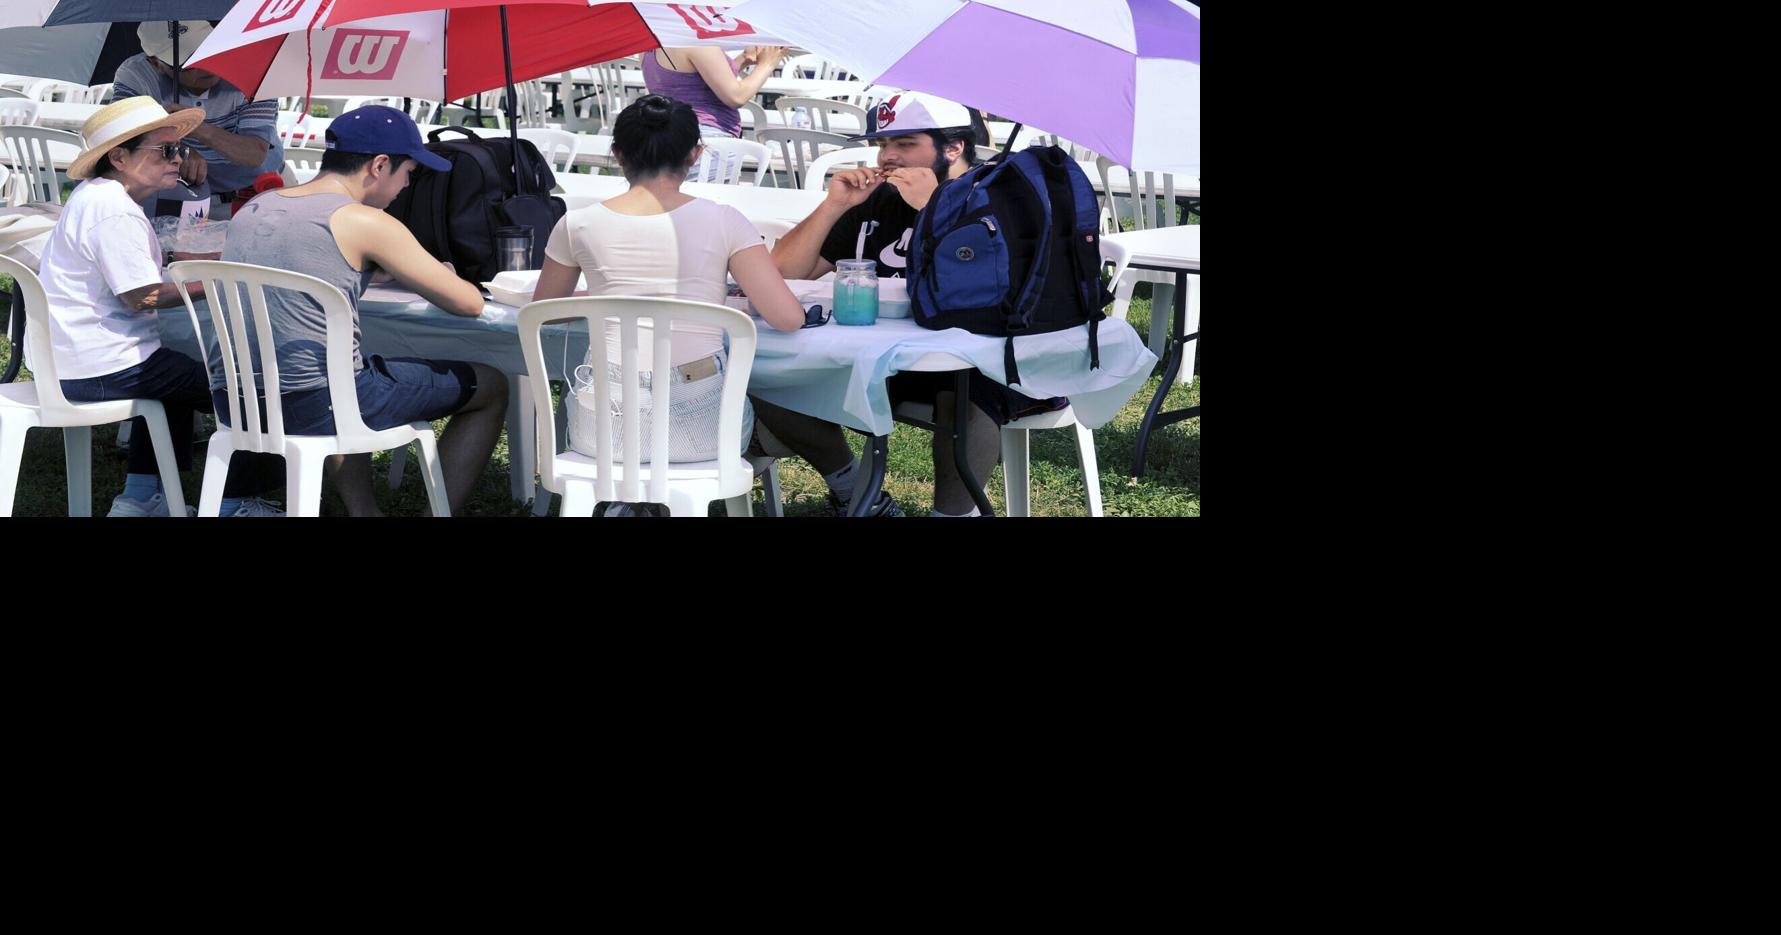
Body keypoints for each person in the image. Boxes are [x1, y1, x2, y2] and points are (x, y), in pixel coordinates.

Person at [769, 92, 1065, 517]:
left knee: (965, 394)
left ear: (953, 147)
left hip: (987, 357)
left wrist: (935, 207)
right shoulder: (878, 198)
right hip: (884, 351)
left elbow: (1002, 292)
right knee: (769, 373)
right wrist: (833, 206)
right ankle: (855, 492)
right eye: (883, 144)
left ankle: (951, 514)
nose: (888, 156)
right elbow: (781, 274)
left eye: (905, 144)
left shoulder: (999, 197)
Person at [220, 105, 507, 516]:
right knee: (492, 386)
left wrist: (388, 269)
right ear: (379, 165)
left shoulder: (257, 207)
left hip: (237, 400)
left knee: (345, 367)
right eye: (408, 172)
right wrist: (435, 272)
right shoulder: (365, 221)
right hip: (317, 402)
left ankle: (365, 511)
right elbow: (468, 302)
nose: (406, 186)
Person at [37, 96, 284, 516]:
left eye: (181, 149)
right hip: (104, 367)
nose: (180, 160)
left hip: (77, 361)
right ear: (119, 156)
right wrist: (223, 278)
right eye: (167, 151)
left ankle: (140, 496)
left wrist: (208, 265)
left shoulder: (95, 196)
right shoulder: (114, 211)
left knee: (174, 378)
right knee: (248, 394)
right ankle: (237, 503)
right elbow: (142, 296)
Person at [532, 95, 804, 475]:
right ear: (695, 154)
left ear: (618, 154)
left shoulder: (577, 224)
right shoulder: (725, 220)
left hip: (602, 429)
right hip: (705, 426)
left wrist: (601, 299)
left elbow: (545, 312)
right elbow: (788, 318)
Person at [111, 20, 284, 218]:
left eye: (209, 53)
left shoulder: (254, 69)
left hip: (254, 195)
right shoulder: (136, 75)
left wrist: (192, 126)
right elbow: (123, 140)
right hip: (177, 196)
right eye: (188, 64)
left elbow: (254, 154)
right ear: (154, 62)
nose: (205, 67)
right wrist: (177, 148)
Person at [641, 45, 787, 140]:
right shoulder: (695, 42)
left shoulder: (651, 41)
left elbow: (691, 82)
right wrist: (768, 64)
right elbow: (736, 96)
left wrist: (743, 60)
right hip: (706, 137)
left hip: (664, 134)